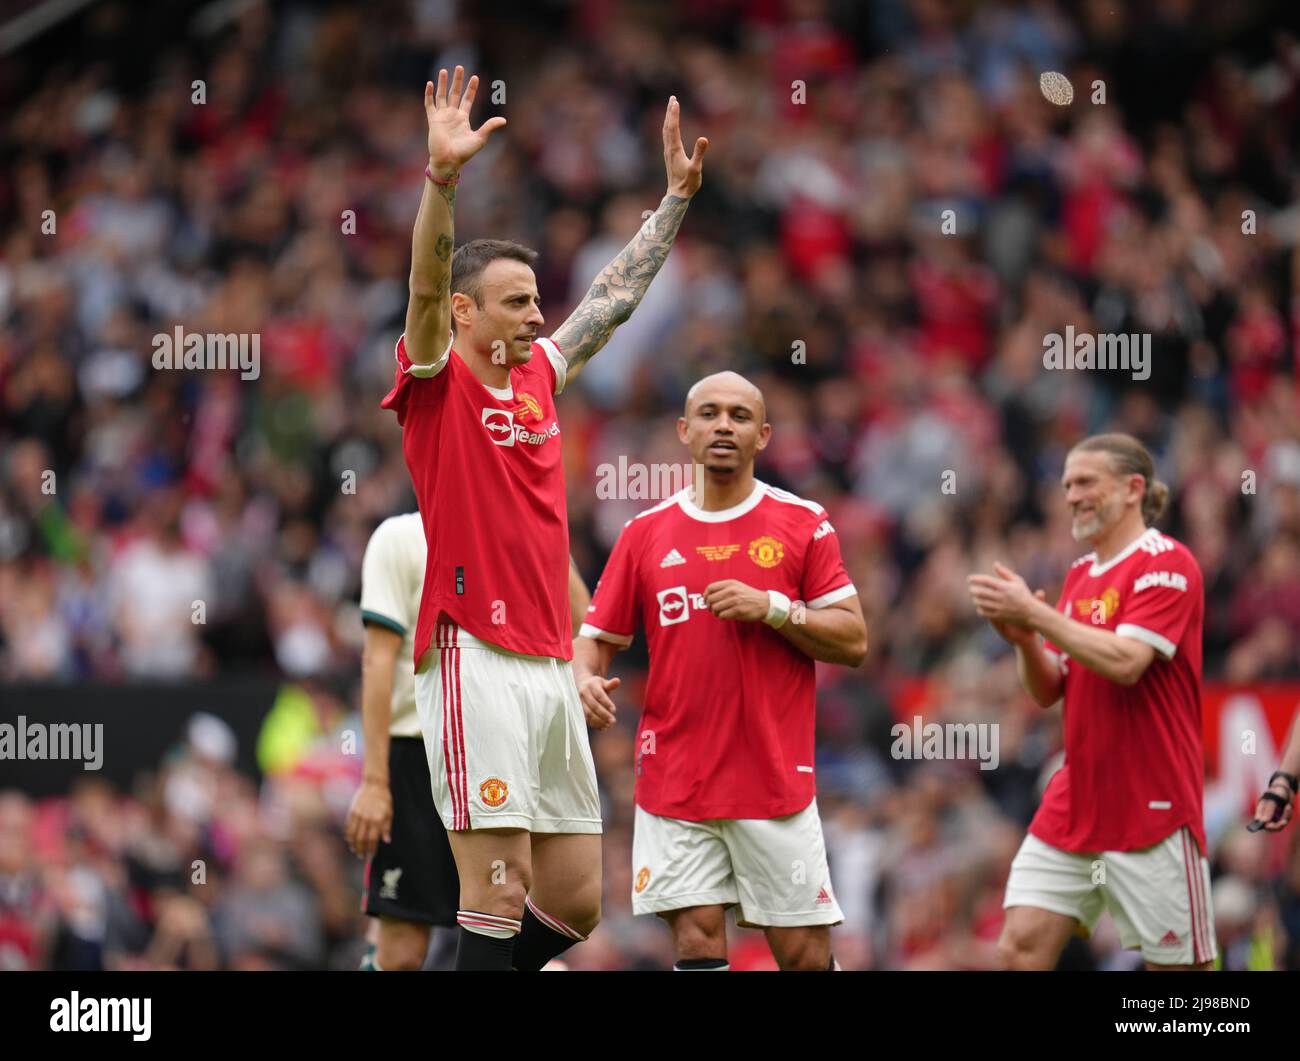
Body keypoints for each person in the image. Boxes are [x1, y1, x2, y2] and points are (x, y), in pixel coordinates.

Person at [380, 66, 706, 970]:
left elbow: (607, 302)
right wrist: (442, 180)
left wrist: (672, 204)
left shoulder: (537, 379)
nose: (534, 315)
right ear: (464, 311)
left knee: (572, 901)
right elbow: (422, 284)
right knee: (495, 888)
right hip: (471, 654)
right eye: (516, 301)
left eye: (534, 300)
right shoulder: (437, 378)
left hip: (549, 664)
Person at [573, 371, 867, 970]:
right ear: (685, 431)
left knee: (804, 955)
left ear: (763, 435)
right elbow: (593, 641)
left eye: (739, 416)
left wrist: (775, 608)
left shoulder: (802, 522)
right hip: (675, 779)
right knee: (697, 943)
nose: (723, 425)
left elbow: (854, 639)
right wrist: (583, 680)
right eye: (709, 414)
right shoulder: (644, 534)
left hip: (772, 780)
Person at [968, 433, 1215, 970]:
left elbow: (1128, 663)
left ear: (1132, 489)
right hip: (1075, 798)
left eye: (1085, 482)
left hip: (1152, 803)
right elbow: (1048, 689)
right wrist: (1024, 641)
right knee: (1017, 950)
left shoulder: (1166, 563)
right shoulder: (1080, 575)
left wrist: (1037, 617)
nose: (1071, 495)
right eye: (1066, 485)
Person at [344, 510, 591, 970]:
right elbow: (378, 662)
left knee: (510, 911)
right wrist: (375, 781)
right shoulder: (399, 538)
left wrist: (549, 533)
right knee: (400, 952)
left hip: (505, 748)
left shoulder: (526, 526)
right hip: (417, 754)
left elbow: (584, 621)